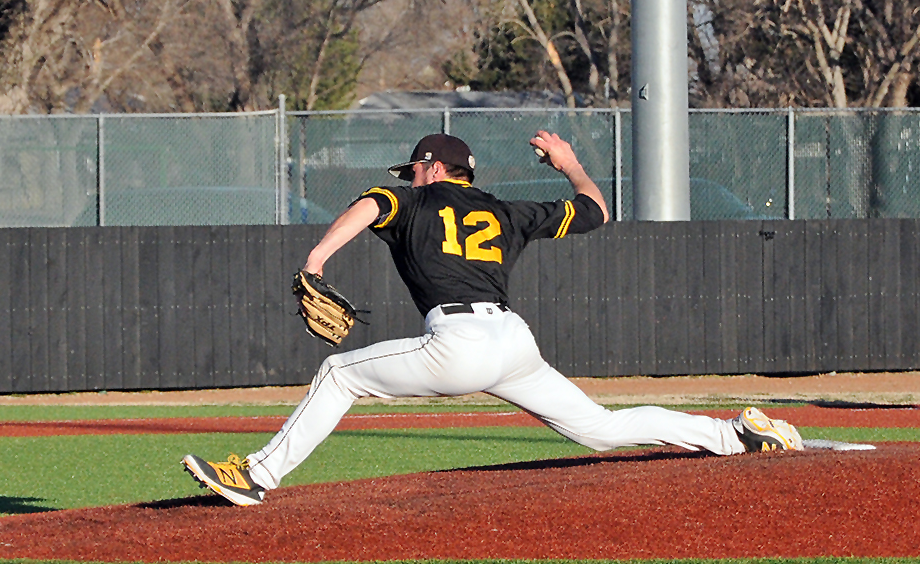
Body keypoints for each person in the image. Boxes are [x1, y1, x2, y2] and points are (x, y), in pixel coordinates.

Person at [182, 132, 803, 507]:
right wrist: (567, 161)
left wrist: (316, 259)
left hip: (458, 340)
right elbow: (596, 209)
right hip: (513, 339)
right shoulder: (508, 209)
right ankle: (736, 434)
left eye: (415, 168)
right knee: (600, 429)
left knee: (339, 373)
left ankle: (256, 476)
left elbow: (371, 204)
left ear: (431, 168)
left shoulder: (414, 197)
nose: (410, 176)